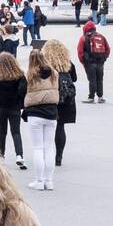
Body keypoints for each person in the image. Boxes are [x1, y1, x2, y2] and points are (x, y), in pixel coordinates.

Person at [21, 48, 60, 191]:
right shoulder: (55, 74)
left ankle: (39, 180)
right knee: (49, 147)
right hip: (51, 112)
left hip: (35, 113)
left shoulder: (29, 75)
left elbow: (21, 92)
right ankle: (49, 181)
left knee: (38, 147)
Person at [43, 39, 77, 167]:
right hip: (66, 99)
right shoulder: (68, 63)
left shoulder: (45, 65)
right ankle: (59, 157)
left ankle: (48, 155)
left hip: (50, 97)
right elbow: (74, 79)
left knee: (47, 127)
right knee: (60, 127)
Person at [0, 52, 27, 170]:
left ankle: (1, 156)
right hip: (14, 106)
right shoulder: (20, 76)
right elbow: (23, 89)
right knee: (16, 132)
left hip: (1, 106)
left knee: (2, 131)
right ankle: (19, 155)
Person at [76, 20, 109, 104]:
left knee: (92, 80)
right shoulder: (101, 36)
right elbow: (108, 49)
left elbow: (80, 51)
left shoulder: (84, 38)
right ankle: (100, 97)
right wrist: (104, 59)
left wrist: (83, 61)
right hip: (100, 63)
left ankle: (91, 97)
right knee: (100, 79)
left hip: (89, 63)